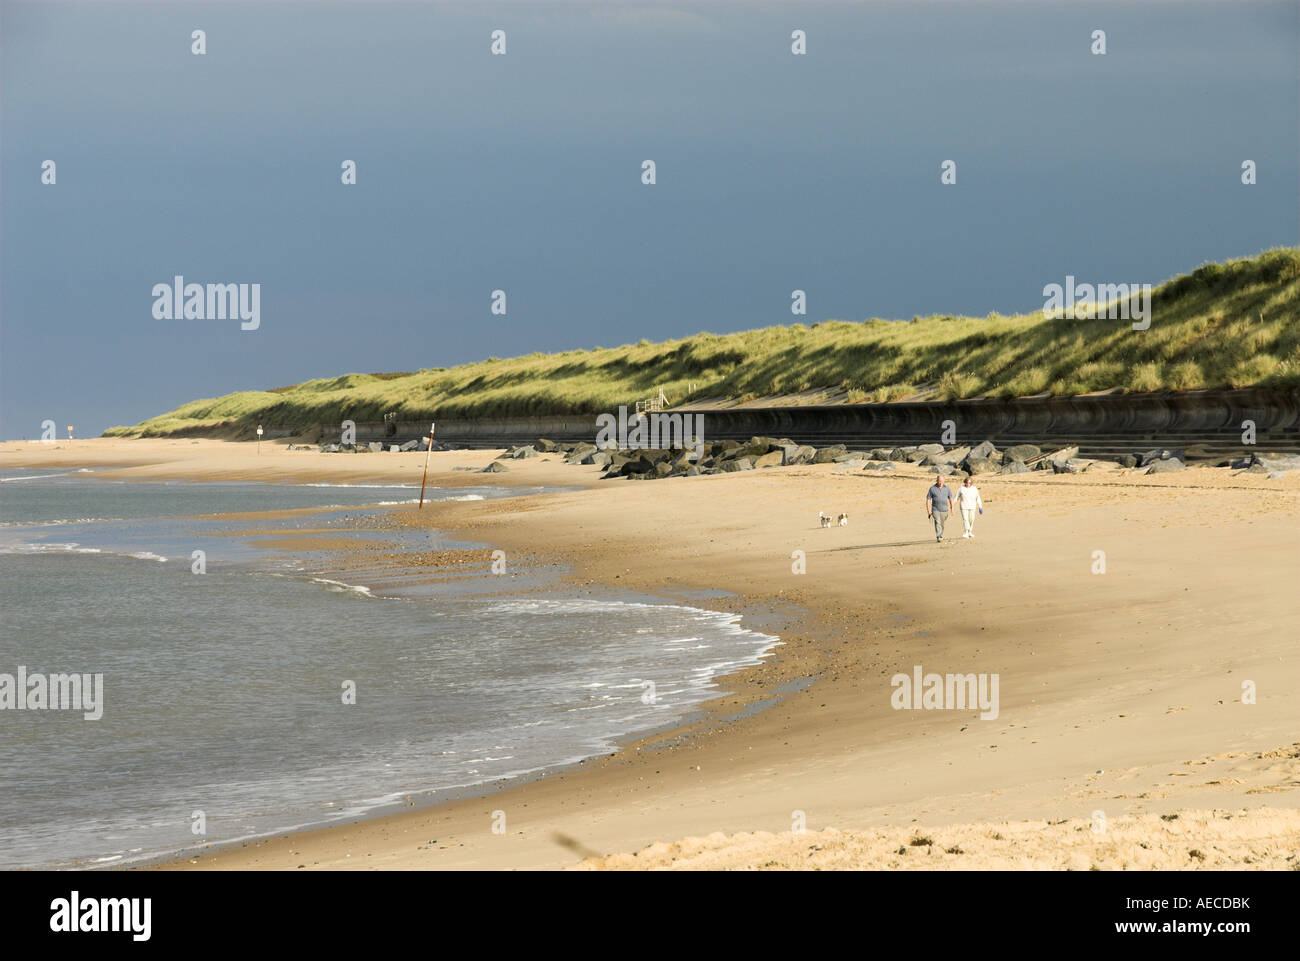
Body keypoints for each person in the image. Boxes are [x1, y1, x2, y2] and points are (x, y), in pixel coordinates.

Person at [925, 474, 956, 543]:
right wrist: (929, 510)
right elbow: (928, 500)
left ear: (944, 481)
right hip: (935, 509)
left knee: (942, 524)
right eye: (939, 481)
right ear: (937, 481)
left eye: (942, 481)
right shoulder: (932, 488)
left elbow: (951, 499)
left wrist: (952, 509)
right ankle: (939, 536)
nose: (940, 482)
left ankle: (941, 534)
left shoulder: (947, 489)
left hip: (945, 510)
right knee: (937, 522)